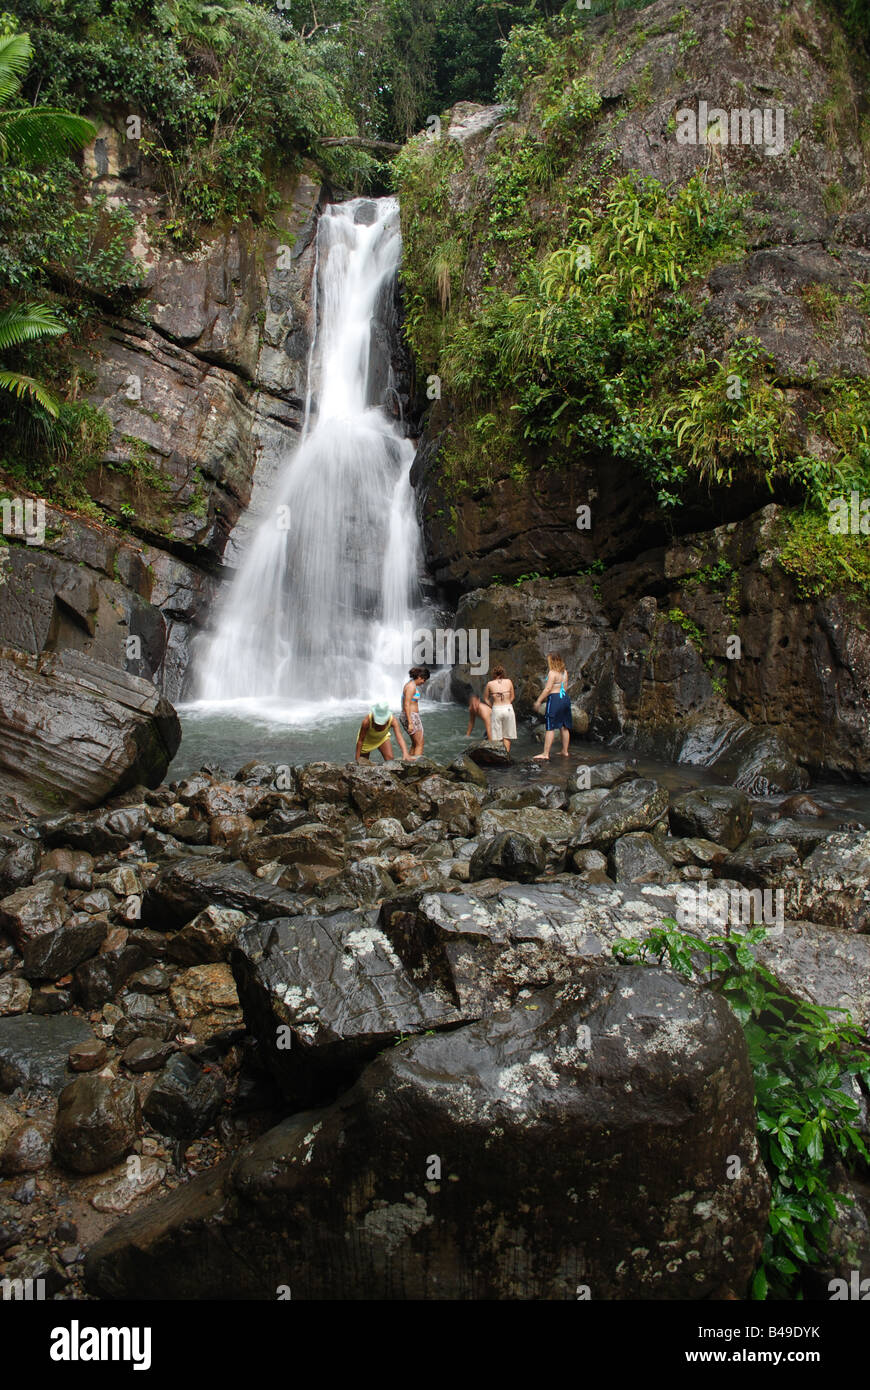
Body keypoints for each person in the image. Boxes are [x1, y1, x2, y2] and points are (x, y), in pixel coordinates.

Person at [532, 653, 572, 759]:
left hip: (554, 699)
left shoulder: (552, 673)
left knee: (550, 727)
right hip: (565, 698)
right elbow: (565, 687)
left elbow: (548, 689)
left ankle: (545, 754)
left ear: (552, 661)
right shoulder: (564, 672)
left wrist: (538, 701)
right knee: (564, 726)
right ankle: (565, 751)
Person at [484, 664, 516, 752]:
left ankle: (498, 756)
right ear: (503, 673)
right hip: (508, 709)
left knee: (497, 737)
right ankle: (507, 756)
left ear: (493, 674)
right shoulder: (509, 681)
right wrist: (508, 703)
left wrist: (492, 706)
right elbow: (513, 696)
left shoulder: (489, 684)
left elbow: (485, 698)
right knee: (507, 736)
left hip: (496, 709)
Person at [401, 666, 430, 758]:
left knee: (415, 743)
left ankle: (408, 764)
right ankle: (418, 767)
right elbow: (406, 704)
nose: (424, 682)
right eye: (424, 680)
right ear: (420, 677)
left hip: (411, 716)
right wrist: (410, 723)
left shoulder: (411, 684)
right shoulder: (411, 687)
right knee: (420, 743)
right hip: (411, 716)